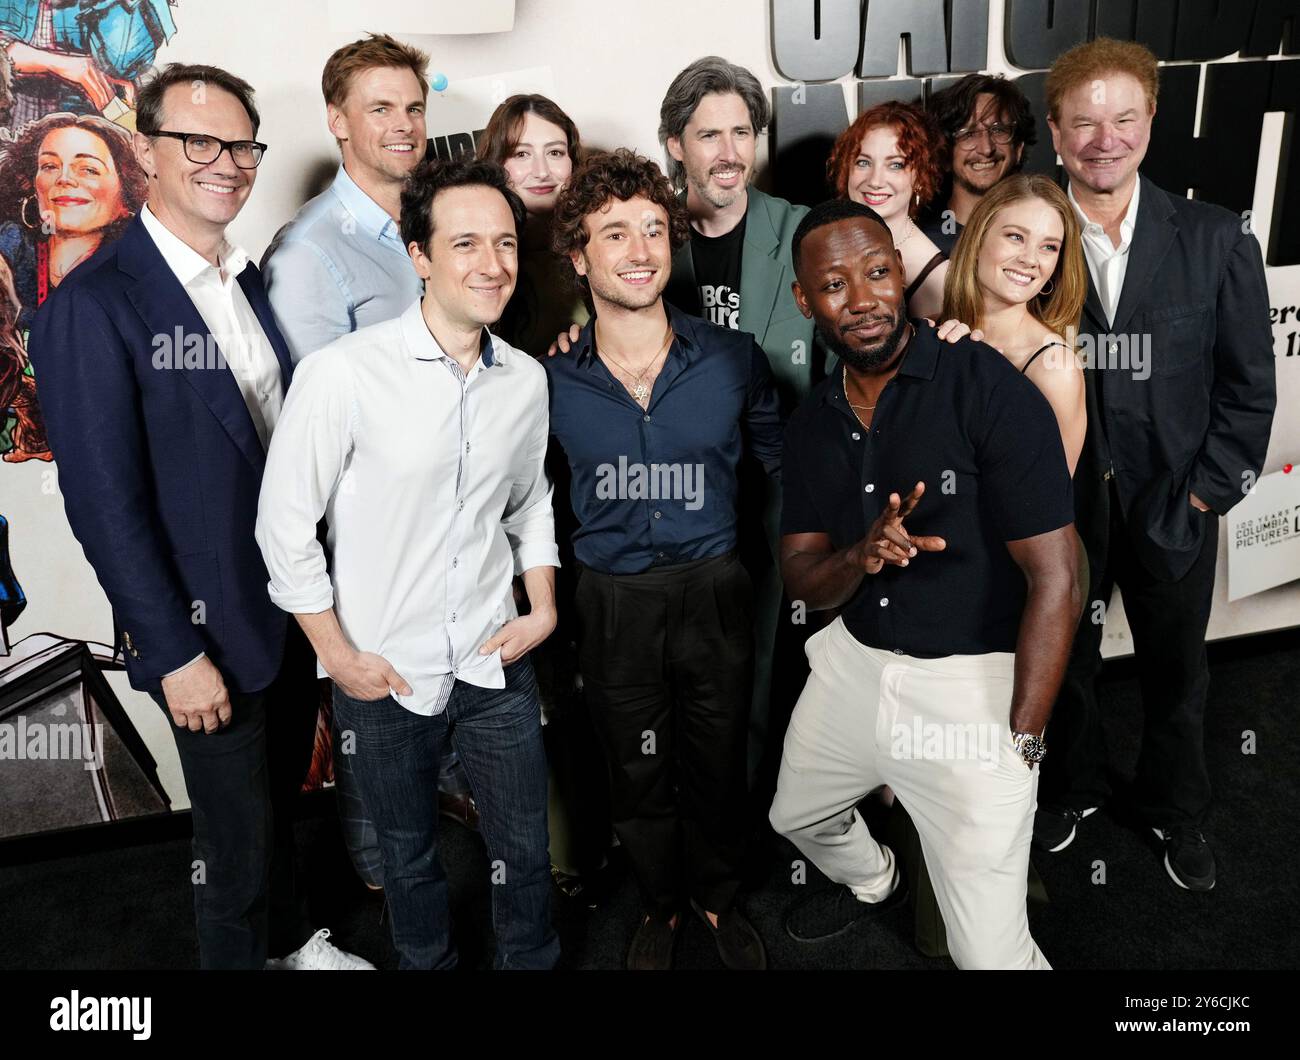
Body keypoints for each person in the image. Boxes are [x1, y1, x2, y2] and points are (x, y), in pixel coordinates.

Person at [28, 63, 369, 970]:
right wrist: (174, 653)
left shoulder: (245, 283)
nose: (227, 162)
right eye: (199, 142)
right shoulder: (96, 305)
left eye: (242, 144)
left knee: (279, 808)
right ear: (146, 150)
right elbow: (103, 505)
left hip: (290, 608)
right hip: (200, 628)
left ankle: (296, 944)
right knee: (229, 843)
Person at [255, 158, 560, 971]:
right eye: (465, 243)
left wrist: (544, 608)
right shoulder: (343, 374)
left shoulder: (525, 381)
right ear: (418, 255)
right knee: (407, 858)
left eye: (504, 243)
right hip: (383, 674)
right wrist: (338, 658)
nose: (491, 263)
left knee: (526, 853)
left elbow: (529, 502)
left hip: (497, 664)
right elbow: (283, 527)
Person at [769, 198, 1082, 970]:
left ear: (903, 274)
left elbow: (1061, 576)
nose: (864, 297)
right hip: (856, 664)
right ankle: (879, 879)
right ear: (806, 302)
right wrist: (861, 557)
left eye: (878, 272)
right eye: (835, 284)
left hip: (972, 687)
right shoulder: (812, 423)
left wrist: (1023, 739)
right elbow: (805, 578)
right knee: (794, 815)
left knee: (990, 958)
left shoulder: (987, 387)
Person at [1033, 39, 1276, 891]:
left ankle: (1178, 810)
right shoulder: (1025, 239)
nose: (1106, 138)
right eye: (1086, 121)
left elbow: (1249, 394)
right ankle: (1072, 789)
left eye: (1124, 118)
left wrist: (1206, 498)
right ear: (1056, 133)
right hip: (1060, 517)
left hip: (1175, 507)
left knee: (1179, 674)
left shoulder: (1214, 239)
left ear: (1150, 124)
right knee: (1066, 670)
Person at [546, 148, 782, 970]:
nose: (641, 250)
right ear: (579, 255)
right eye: (616, 233)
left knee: (719, 758)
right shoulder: (546, 379)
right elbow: (526, 500)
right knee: (634, 765)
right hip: (610, 600)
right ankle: (661, 901)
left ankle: (717, 899)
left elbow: (781, 470)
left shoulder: (731, 358)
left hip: (715, 587)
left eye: (653, 228)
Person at [262, 35, 478, 893]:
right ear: (337, 121)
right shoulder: (310, 253)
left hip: (456, 533)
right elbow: (314, 436)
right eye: (380, 108)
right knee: (377, 737)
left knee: (446, 729)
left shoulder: (437, 224)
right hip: (373, 549)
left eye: (414, 107)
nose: (403, 125)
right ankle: (388, 896)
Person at [656, 55, 812, 807]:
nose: (728, 152)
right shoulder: (646, 233)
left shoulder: (801, 233)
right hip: (677, 494)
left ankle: (753, 819)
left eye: (742, 131)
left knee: (767, 661)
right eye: (708, 133)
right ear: (674, 143)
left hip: (779, 492)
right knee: (681, 669)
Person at [478, 92, 610, 900]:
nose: (540, 168)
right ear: (495, 162)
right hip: (511, 505)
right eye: (520, 152)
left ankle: (609, 832)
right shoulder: (483, 259)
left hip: (590, 492)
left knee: (599, 670)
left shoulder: (594, 249)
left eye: (556, 150)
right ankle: (566, 856)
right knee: (540, 684)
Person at [942, 173, 1087, 473]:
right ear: (979, 238)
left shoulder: (1056, 369)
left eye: (1049, 247)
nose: (1030, 259)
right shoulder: (936, 331)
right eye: (1016, 237)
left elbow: (1050, 506)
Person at [0, 112, 146, 332]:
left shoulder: (140, 268)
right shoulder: (13, 245)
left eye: (88, 169)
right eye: (49, 166)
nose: (64, 178)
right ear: (32, 184)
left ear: (126, 192)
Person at [827, 102, 949, 321]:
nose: (875, 181)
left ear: (920, 177)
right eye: (863, 162)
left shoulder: (937, 280)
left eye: (895, 165)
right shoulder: (826, 239)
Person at [922, 74, 1035, 256]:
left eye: (998, 130)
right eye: (968, 134)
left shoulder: (1045, 232)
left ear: (1018, 149)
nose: (986, 148)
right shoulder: (921, 243)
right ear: (944, 154)